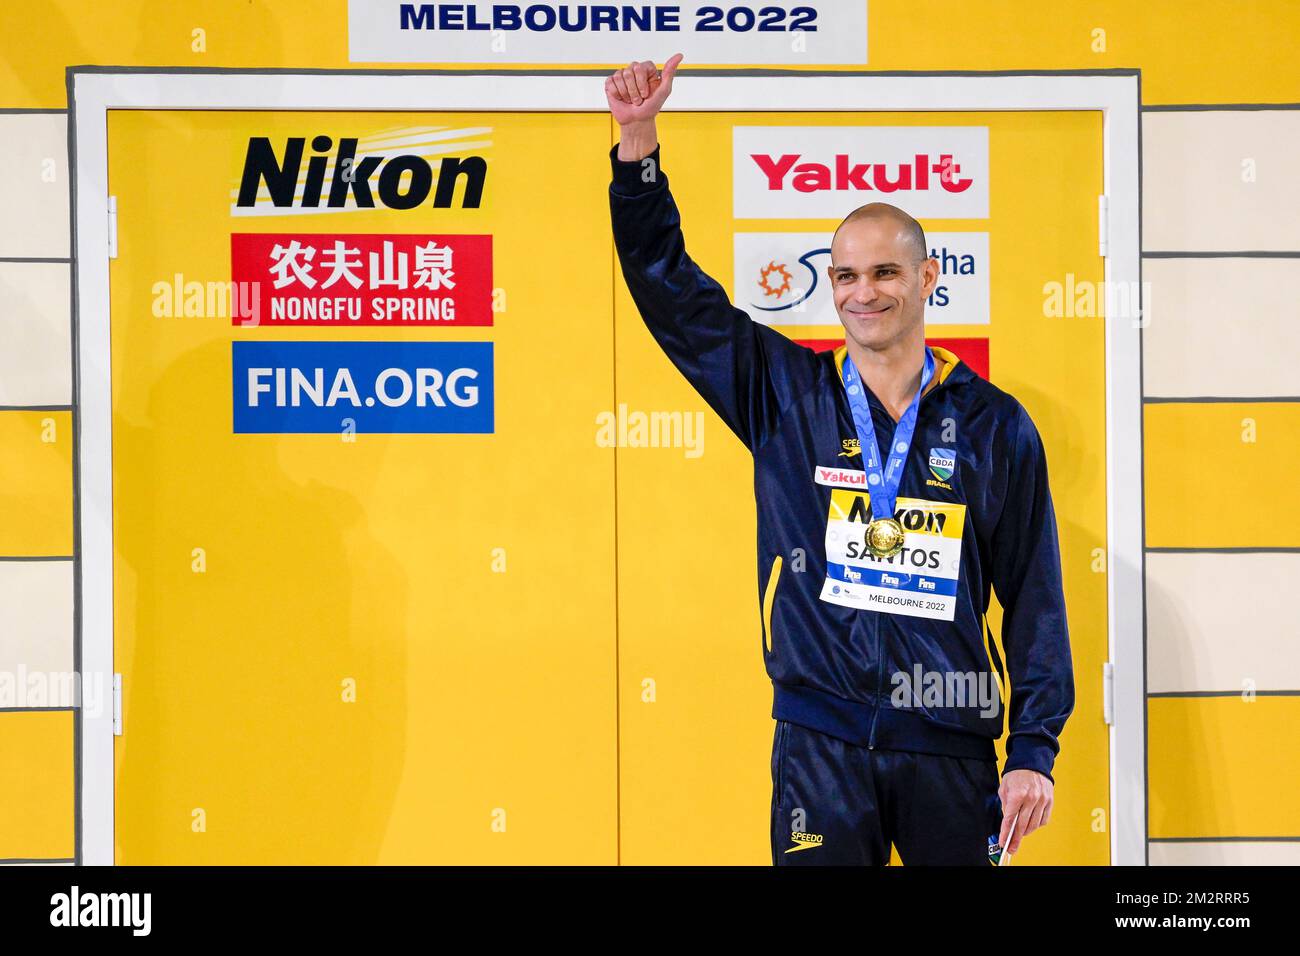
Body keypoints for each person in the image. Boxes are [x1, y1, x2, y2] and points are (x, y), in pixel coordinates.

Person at [605, 54, 1075, 866]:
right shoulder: (785, 394)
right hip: (819, 742)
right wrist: (637, 146)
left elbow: (1035, 595)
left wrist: (1032, 748)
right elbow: (673, 294)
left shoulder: (996, 426)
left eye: (888, 272)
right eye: (849, 275)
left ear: (929, 277)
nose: (867, 292)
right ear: (831, 285)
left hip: (951, 740)